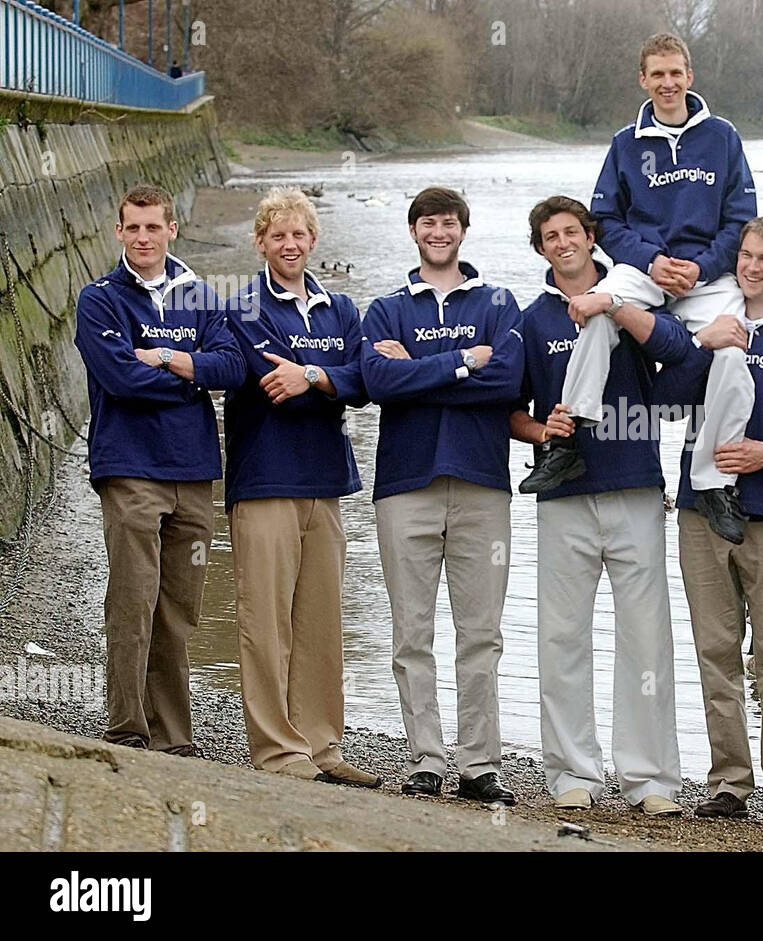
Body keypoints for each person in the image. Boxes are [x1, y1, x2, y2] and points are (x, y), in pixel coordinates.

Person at [522, 32, 759, 546]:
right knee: (594, 312)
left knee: (735, 350)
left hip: (707, 275)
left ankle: (712, 482)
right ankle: (569, 444)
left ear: (690, 76)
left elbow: (741, 221)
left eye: (676, 73)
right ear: (643, 79)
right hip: (645, 268)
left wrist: (698, 268)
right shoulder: (624, 143)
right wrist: (651, 261)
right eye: (658, 74)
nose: (668, 83)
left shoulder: (722, 136)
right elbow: (604, 219)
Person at [511, 196, 694, 817]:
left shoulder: (631, 294)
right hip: (563, 494)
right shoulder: (532, 318)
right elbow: (509, 408)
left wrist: (615, 305)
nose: (562, 242)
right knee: (562, 636)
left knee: (646, 639)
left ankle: (650, 779)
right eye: (550, 236)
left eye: (572, 232)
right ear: (540, 248)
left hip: (636, 485)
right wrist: (542, 431)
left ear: (592, 238)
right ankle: (572, 772)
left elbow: (680, 351)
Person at [653, 217, 763, 829]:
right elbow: (665, 399)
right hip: (701, 512)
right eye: (747, 256)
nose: (754, 267)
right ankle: (729, 780)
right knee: (715, 650)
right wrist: (701, 340)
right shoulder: (708, 314)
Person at [361, 186, 524, 804]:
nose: (438, 232)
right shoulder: (384, 310)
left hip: (482, 485)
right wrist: (461, 361)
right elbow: (379, 381)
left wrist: (419, 371)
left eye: (448, 223)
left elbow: (508, 380)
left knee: (481, 632)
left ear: (463, 231)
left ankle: (480, 764)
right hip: (406, 485)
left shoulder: (498, 302)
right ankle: (426, 759)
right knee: (412, 631)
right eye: (428, 223)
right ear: (413, 231)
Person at [73, 184, 245, 754]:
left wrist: (171, 359)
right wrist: (190, 378)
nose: (143, 237)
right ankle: (127, 726)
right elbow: (119, 377)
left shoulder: (200, 295)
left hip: (194, 470)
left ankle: (173, 735)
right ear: (119, 232)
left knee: (180, 605)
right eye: (133, 227)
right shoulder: (99, 299)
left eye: (154, 227)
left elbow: (231, 367)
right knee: (133, 598)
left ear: (172, 229)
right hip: (130, 467)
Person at [223, 187, 379, 786]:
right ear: (261, 242)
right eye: (278, 235)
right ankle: (277, 751)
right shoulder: (242, 308)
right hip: (264, 479)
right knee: (266, 622)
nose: (290, 244)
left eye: (300, 235)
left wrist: (314, 374)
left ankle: (321, 746)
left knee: (320, 621)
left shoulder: (341, 309)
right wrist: (327, 382)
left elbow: (365, 381)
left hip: (326, 480)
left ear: (314, 241)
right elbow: (271, 382)